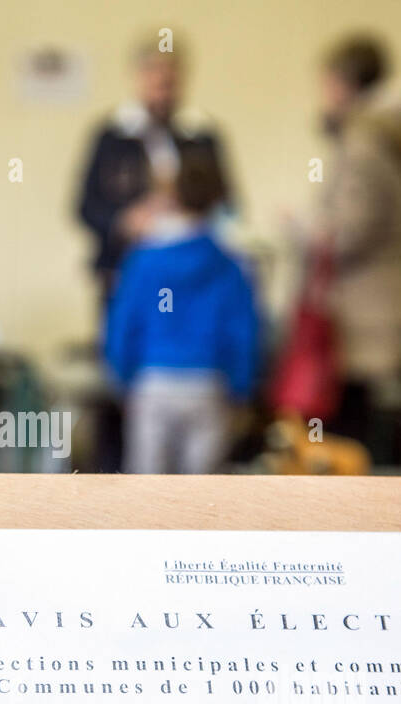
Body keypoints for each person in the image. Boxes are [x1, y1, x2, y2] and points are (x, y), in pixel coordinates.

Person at [76, 39, 236, 471]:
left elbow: (228, 204)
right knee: (126, 406)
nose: (163, 87)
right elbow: (84, 206)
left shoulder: (202, 136)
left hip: (195, 284)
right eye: (154, 76)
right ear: (138, 76)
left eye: (171, 78)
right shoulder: (111, 136)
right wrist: (125, 223)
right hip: (130, 276)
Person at [303, 34, 401, 464]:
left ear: (343, 83)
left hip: (357, 315)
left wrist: (302, 229)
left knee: (346, 440)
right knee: (359, 428)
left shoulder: (364, 143)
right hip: (377, 310)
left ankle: (344, 525)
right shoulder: (386, 138)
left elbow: (351, 230)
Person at [103, 148, 260, 474]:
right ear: (217, 199)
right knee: (203, 500)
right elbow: (244, 332)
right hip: (210, 386)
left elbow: (122, 325)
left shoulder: (143, 260)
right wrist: (241, 388)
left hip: (153, 382)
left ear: (171, 196)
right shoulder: (230, 264)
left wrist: (121, 378)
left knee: (147, 493)